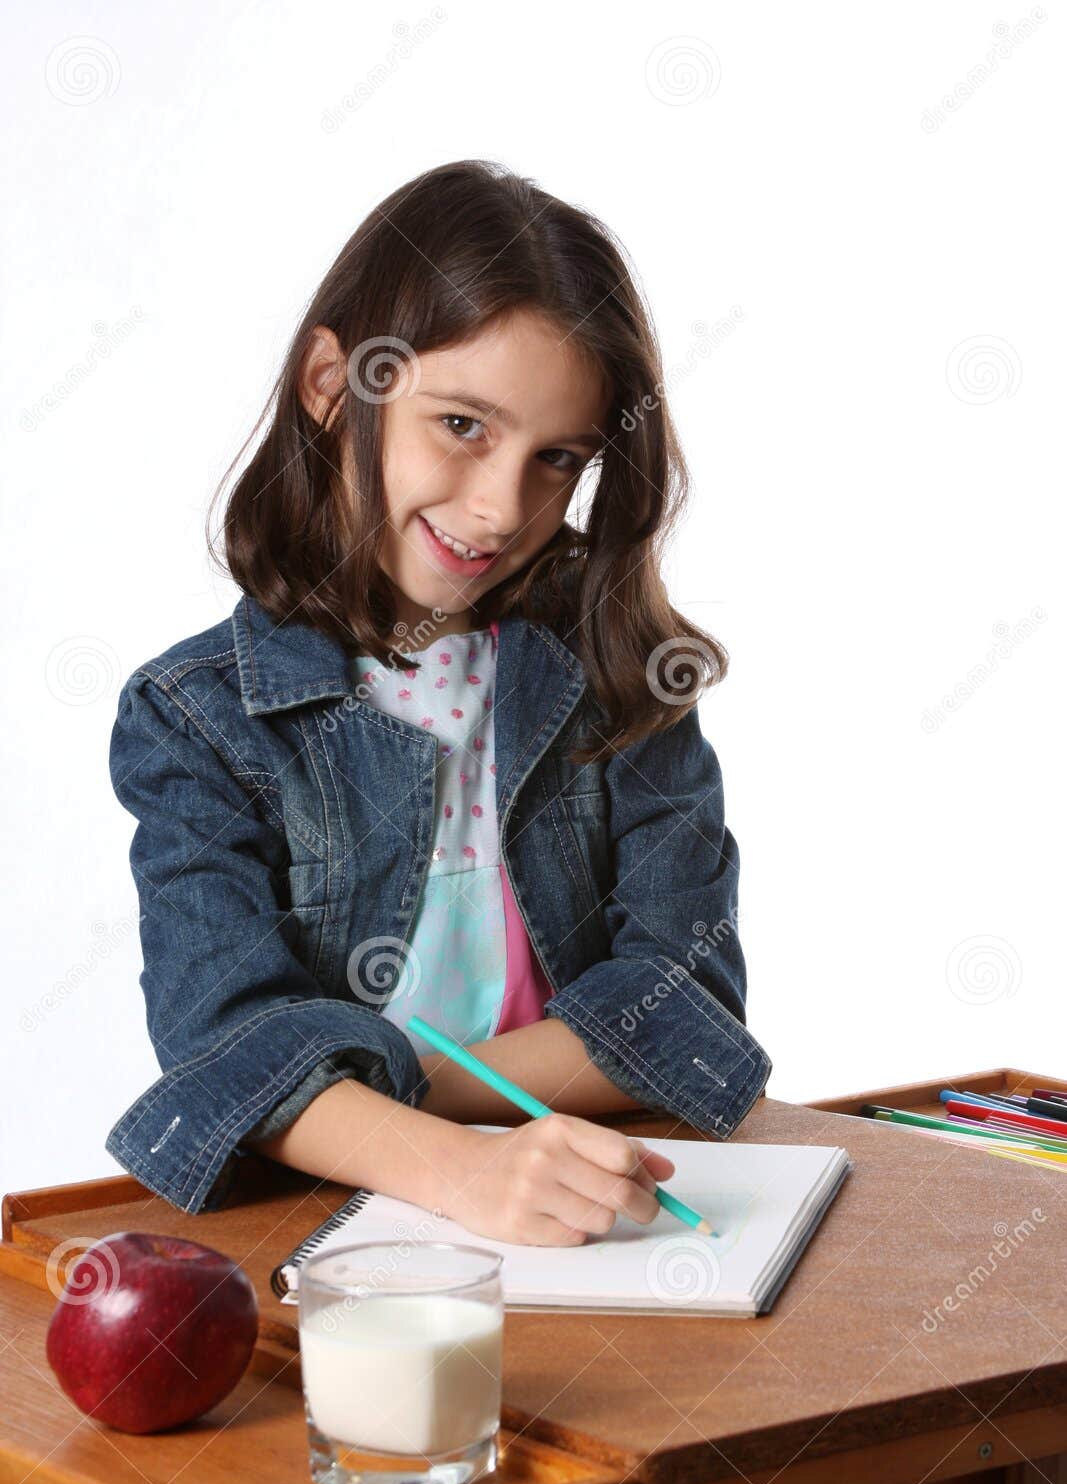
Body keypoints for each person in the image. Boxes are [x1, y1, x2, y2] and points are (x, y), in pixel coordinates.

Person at [106, 158, 771, 1243]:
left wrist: (383, 1098)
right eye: (462, 425)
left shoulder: (618, 676)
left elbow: (681, 997)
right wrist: (462, 1170)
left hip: (588, 1214)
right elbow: (226, 1045)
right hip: (332, 1241)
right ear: (332, 386)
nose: (501, 506)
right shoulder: (196, 717)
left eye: (556, 458)